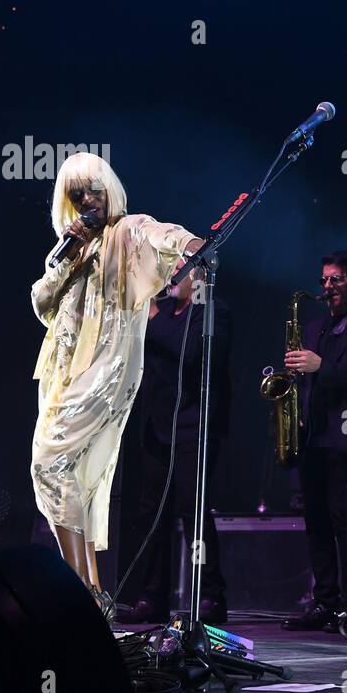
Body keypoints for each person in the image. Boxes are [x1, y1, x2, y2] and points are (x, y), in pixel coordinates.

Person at [31, 152, 204, 623]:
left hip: (105, 367)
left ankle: (80, 591)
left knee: (48, 464)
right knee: (78, 480)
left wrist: (191, 245)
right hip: (65, 372)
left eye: (94, 190)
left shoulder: (125, 230)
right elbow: (42, 303)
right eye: (77, 194)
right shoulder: (74, 246)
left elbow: (160, 232)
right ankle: (93, 594)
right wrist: (65, 257)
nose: (88, 200)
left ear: (110, 189)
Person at [116, 260, 232, 626]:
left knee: (192, 511)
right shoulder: (163, 311)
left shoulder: (212, 311)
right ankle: (153, 597)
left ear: (197, 278)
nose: (169, 278)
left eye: (179, 272)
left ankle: (210, 595)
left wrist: (151, 316)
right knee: (151, 513)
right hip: (158, 426)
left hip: (193, 426)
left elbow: (193, 354)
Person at [282, 250, 347, 631]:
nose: (327, 288)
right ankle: (324, 602)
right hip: (314, 438)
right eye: (324, 280)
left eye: (336, 280)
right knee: (317, 523)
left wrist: (320, 367)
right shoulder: (314, 328)